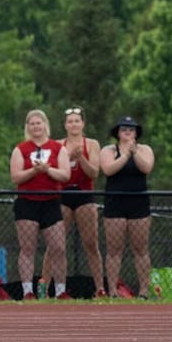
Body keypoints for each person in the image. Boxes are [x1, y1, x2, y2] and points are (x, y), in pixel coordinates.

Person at [10, 109, 70, 300]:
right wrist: (34, 171)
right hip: (27, 202)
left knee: (58, 247)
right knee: (28, 248)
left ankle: (60, 290)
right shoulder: (21, 149)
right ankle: (27, 290)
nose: (36, 127)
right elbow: (16, 176)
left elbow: (65, 174)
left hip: (51, 202)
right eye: (32, 124)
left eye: (39, 123)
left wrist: (47, 169)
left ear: (45, 125)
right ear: (28, 127)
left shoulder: (57, 148)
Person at [100, 116, 154, 299]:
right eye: (124, 129)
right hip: (115, 203)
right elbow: (108, 169)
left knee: (141, 249)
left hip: (138, 204)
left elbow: (146, 168)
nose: (128, 132)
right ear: (117, 132)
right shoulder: (108, 150)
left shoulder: (144, 149)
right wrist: (124, 155)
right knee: (114, 250)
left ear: (137, 132)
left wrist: (134, 152)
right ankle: (113, 290)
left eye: (131, 129)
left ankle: (144, 291)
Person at [57, 106, 106, 298]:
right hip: (63, 195)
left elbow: (94, 172)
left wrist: (81, 159)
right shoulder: (58, 144)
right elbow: (54, 171)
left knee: (91, 243)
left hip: (84, 194)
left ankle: (100, 288)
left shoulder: (92, 144)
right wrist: (68, 157)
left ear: (83, 124)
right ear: (65, 125)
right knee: (56, 245)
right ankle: (46, 287)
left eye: (77, 120)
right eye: (70, 121)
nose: (74, 124)